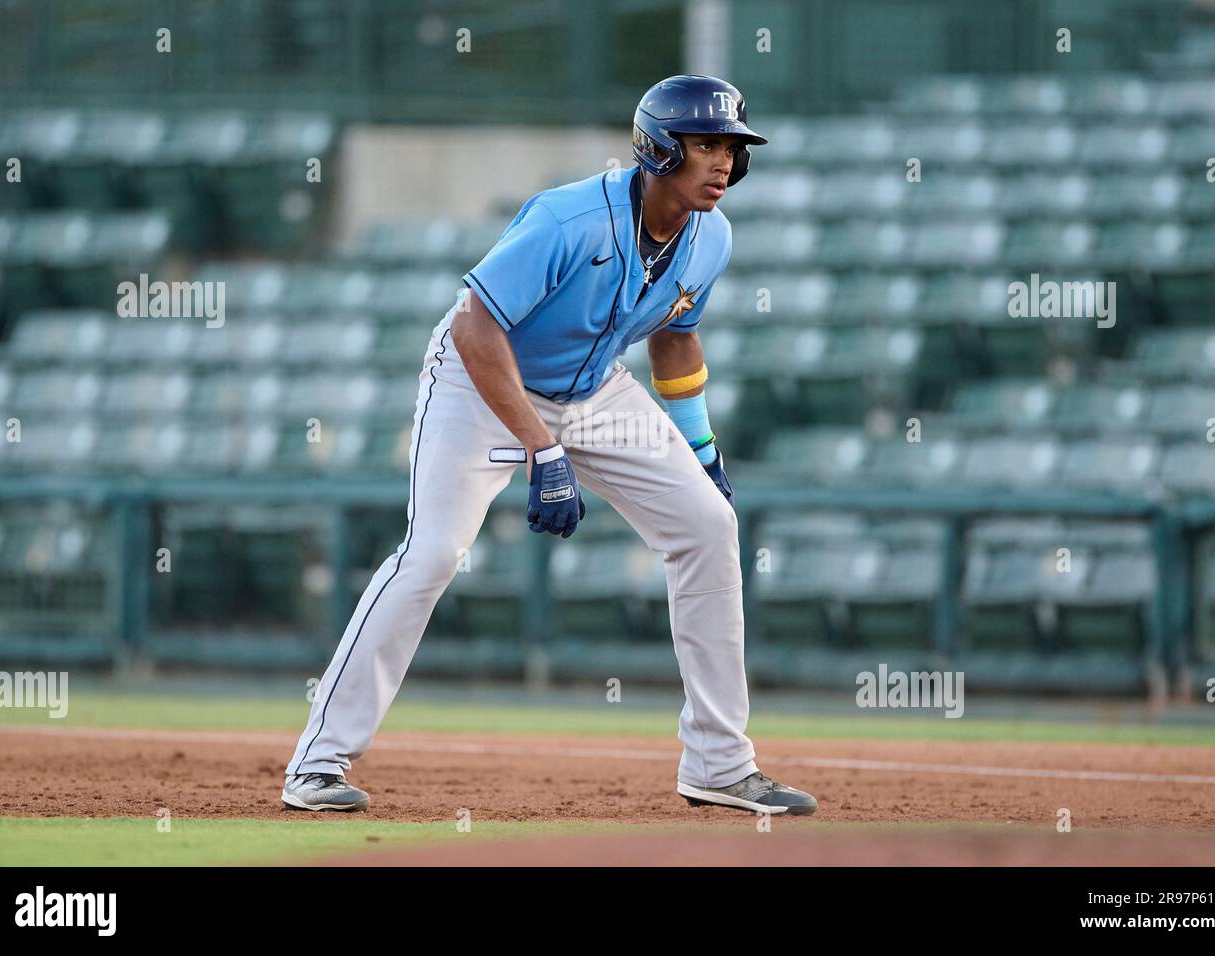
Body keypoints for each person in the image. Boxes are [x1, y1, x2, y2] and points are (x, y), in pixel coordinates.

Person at [281, 75, 818, 817]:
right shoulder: (571, 220)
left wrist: (700, 447)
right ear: (660, 148)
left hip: (596, 389)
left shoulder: (712, 238)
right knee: (433, 553)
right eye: (705, 145)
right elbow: (476, 327)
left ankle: (720, 764)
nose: (723, 162)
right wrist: (542, 450)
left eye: (731, 147)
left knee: (708, 525)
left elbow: (676, 335)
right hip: (482, 381)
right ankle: (317, 764)